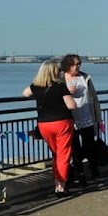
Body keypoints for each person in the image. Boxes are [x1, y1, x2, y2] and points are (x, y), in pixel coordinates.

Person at [23, 59, 79, 198]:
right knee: (63, 154)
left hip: (44, 124)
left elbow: (25, 93)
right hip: (62, 123)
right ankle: (60, 187)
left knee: (55, 153)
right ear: (55, 72)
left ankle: (57, 184)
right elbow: (72, 106)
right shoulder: (60, 87)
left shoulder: (36, 86)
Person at [61, 54, 103, 188]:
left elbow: (94, 98)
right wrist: (67, 92)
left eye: (79, 64)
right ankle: (80, 174)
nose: (78, 66)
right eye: (74, 64)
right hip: (69, 119)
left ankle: (93, 168)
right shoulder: (61, 80)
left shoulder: (85, 78)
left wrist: (98, 116)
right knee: (75, 150)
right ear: (67, 66)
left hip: (86, 117)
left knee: (89, 146)